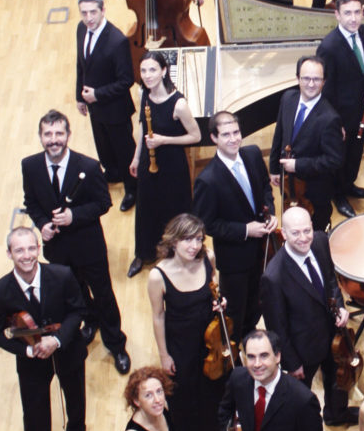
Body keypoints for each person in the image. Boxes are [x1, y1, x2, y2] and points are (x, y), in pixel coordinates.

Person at [0, 227, 95, 431]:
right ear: (9, 253)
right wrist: (27, 351)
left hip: (66, 349)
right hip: (32, 360)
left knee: (76, 397)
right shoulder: (0, 291)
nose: (27, 255)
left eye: (31, 248)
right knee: (34, 413)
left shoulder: (62, 275)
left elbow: (78, 310)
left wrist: (56, 340)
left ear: (39, 248)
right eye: (19, 250)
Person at [21, 110, 130, 374]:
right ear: (40, 137)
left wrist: (74, 216)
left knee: (103, 293)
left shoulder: (89, 167)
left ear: (68, 135)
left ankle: (116, 343)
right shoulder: (30, 166)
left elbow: (104, 203)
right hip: (57, 248)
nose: (54, 139)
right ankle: (90, 322)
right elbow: (32, 203)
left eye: (59, 133)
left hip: (88, 245)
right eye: (48, 134)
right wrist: (42, 225)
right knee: (75, 294)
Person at [259, 206, 355, 425]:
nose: (303, 238)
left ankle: (337, 414)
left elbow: (331, 280)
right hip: (303, 350)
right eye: (296, 233)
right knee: (299, 401)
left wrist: (339, 306)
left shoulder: (320, 241)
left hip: (334, 335)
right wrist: (292, 363)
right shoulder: (273, 277)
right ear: (283, 234)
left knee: (338, 380)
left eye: (307, 230)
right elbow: (277, 327)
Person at [192, 111, 277, 340]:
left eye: (236, 132)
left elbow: (266, 188)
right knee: (235, 313)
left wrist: (272, 212)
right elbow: (208, 225)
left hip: (263, 250)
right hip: (235, 259)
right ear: (214, 138)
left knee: (258, 301)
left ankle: (252, 337)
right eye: (226, 134)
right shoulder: (207, 180)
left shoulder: (252, 154)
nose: (233, 139)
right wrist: (246, 230)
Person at [147, 214, 225, 431]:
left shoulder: (208, 259)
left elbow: (215, 289)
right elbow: (158, 316)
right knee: (186, 392)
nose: (194, 246)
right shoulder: (158, 276)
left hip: (209, 338)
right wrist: (163, 354)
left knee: (212, 386)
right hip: (180, 343)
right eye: (187, 240)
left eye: (199, 239)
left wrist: (220, 302)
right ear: (173, 241)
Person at [127, 51, 200, 278]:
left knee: (173, 210)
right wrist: (137, 157)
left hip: (172, 165)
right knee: (146, 207)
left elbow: (195, 136)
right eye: (144, 70)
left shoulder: (178, 104)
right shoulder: (144, 94)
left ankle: (180, 256)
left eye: (153, 70)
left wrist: (163, 140)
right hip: (149, 160)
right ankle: (144, 253)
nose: (147, 76)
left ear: (164, 71)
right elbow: (142, 125)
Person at [316, 0, 364, 218]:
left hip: (361, 109)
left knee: (355, 152)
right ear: (337, 15)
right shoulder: (329, 47)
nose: (353, 18)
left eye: (357, 12)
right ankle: (338, 194)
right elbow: (326, 91)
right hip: (340, 115)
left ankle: (349, 185)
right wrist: (335, 124)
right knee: (339, 157)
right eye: (347, 13)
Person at [75, 0, 137, 209]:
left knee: (124, 151)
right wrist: (79, 97)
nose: (89, 18)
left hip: (115, 109)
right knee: (104, 148)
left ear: (103, 10)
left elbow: (126, 80)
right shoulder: (81, 29)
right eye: (84, 13)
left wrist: (97, 95)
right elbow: (81, 65)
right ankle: (112, 173)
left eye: (93, 12)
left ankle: (133, 189)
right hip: (95, 107)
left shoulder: (117, 41)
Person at [269, 56, 343, 231]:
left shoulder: (330, 118)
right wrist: (274, 168)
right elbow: (279, 134)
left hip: (314, 193)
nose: (311, 84)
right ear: (297, 79)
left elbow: (334, 160)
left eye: (316, 79)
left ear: (324, 81)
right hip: (289, 185)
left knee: (316, 231)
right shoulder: (288, 98)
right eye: (306, 78)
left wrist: (298, 165)